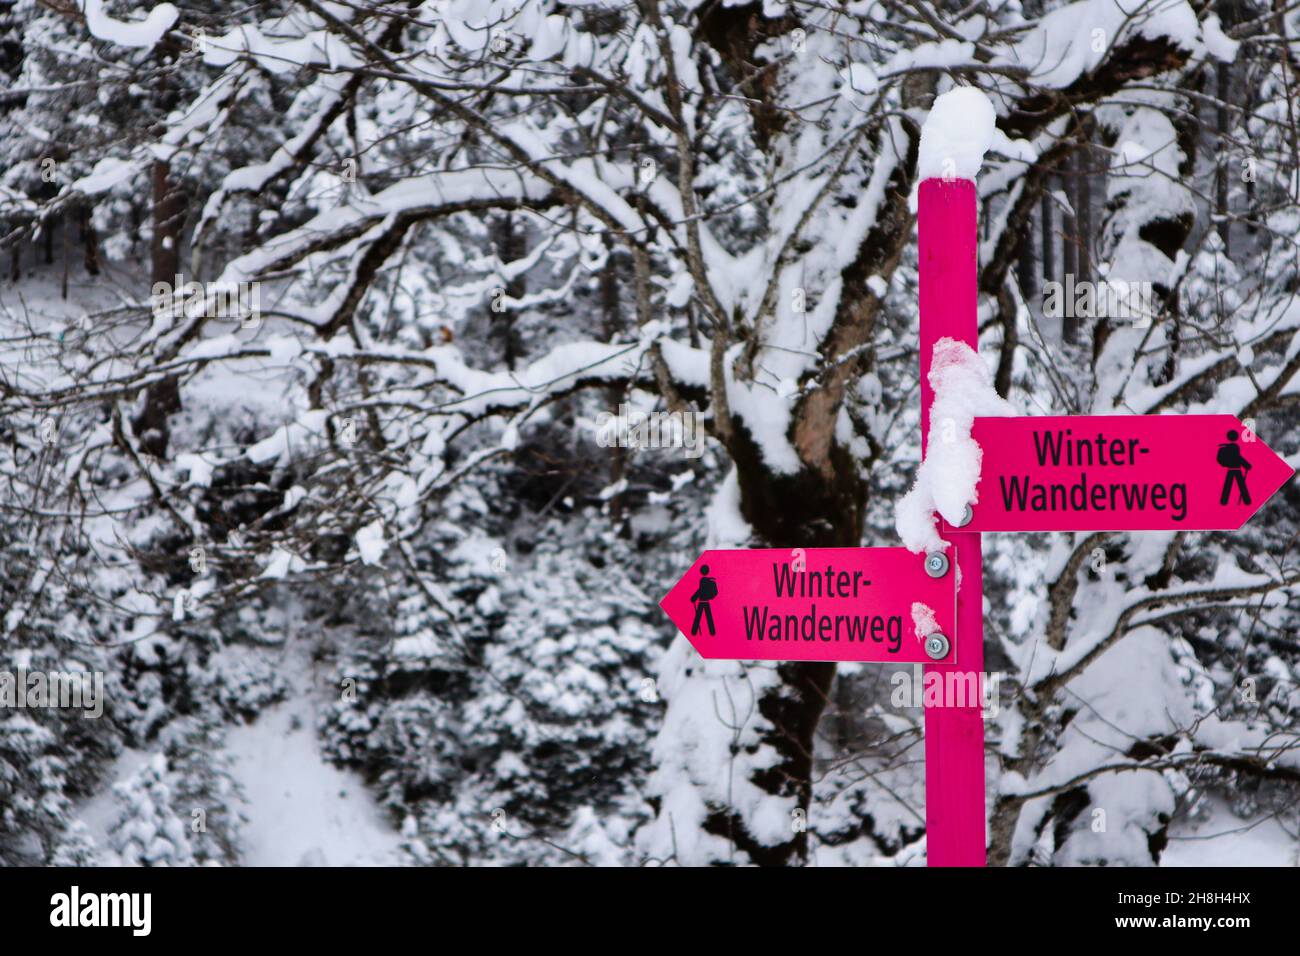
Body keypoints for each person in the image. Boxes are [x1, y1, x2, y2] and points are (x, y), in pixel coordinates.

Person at [1217, 429, 1252, 506]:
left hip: (1230, 469)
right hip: (1237, 469)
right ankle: (1247, 501)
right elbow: (1238, 457)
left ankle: (1223, 501)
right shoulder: (1235, 447)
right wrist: (1247, 465)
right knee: (1241, 485)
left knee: (1228, 485)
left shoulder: (1225, 447)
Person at [690, 565, 718, 637]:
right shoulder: (711, 581)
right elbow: (714, 593)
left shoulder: (703, 580)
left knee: (698, 617)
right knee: (709, 617)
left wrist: (694, 598)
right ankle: (712, 632)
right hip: (706, 601)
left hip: (702, 601)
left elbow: (700, 590)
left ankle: (694, 632)